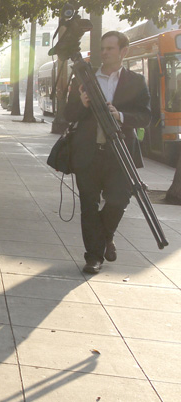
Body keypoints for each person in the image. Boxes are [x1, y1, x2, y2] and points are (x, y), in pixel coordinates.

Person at [65, 31, 150, 274]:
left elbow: (146, 117)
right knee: (88, 205)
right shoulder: (84, 78)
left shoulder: (136, 81)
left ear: (124, 52)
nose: (104, 52)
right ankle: (94, 257)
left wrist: (121, 116)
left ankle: (105, 236)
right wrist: (80, 104)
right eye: (102, 48)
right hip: (88, 152)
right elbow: (67, 115)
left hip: (121, 153)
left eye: (110, 48)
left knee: (119, 200)